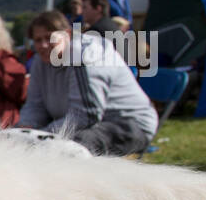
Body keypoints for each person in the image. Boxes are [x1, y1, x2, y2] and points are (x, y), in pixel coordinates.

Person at [19, 10, 158, 156]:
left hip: (128, 124)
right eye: (38, 40)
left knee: (69, 148)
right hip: (83, 124)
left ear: (67, 34)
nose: (44, 45)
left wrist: (40, 136)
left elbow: (86, 115)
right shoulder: (39, 62)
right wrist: (25, 128)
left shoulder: (86, 56)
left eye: (49, 37)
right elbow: (35, 105)